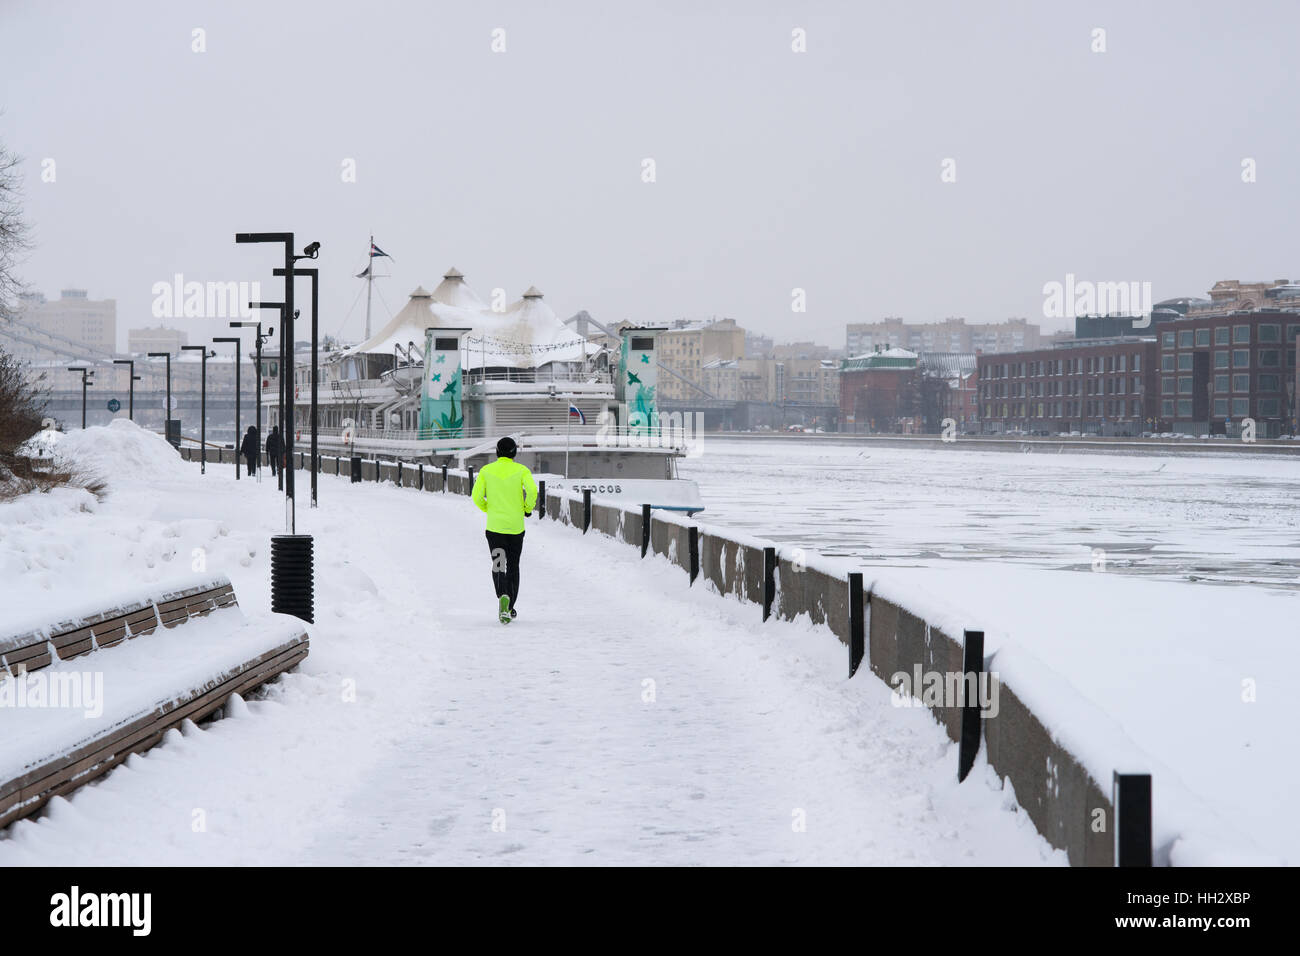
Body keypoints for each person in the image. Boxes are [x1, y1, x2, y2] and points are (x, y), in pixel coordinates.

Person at [470, 437, 537, 624]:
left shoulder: (486, 470)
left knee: (498, 563)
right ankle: (510, 606)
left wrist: (487, 508)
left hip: (495, 528)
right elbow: (532, 491)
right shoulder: (522, 470)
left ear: (497, 452)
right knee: (513, 565)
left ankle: (502, 596)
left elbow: (476, 496)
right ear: (514, 453)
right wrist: (527, 508)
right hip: (516, 528)